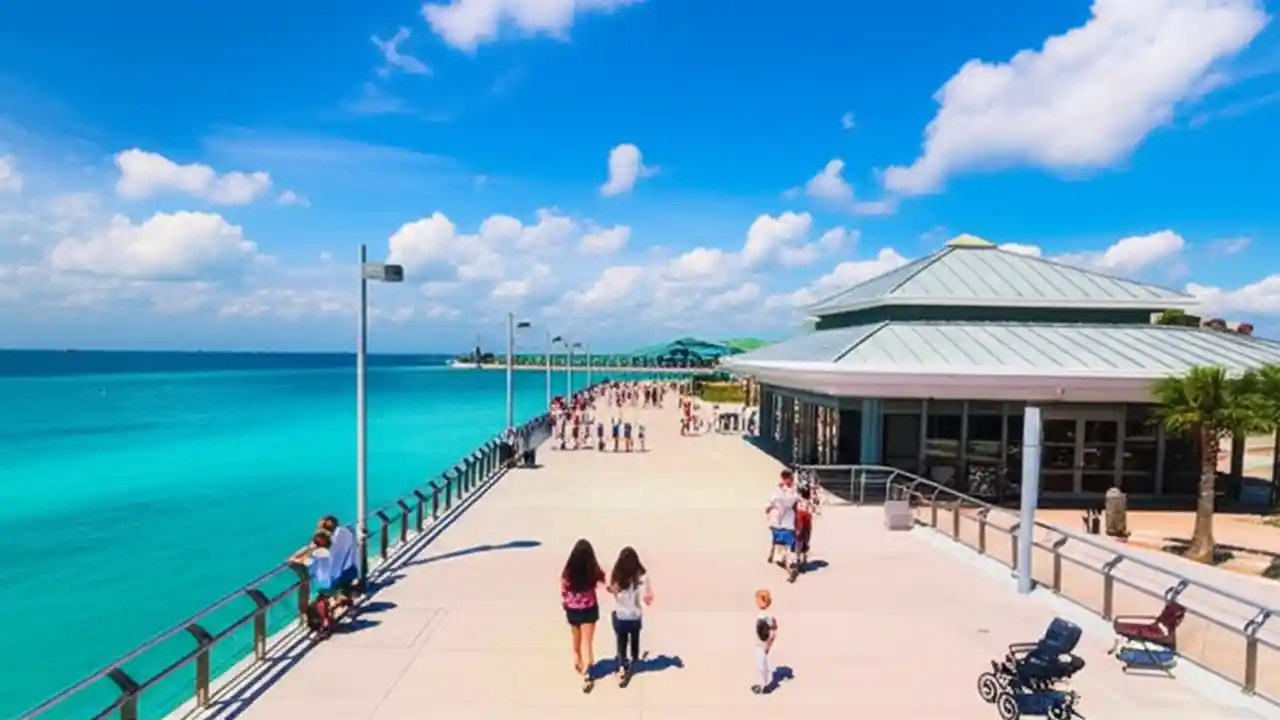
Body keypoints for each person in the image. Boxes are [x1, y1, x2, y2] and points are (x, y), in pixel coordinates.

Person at [561, 539, 606, 692]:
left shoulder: (568, 572)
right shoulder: (591, 570)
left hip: (572, 610)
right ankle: (588, 670)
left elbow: (564, 589)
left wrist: (566, 603)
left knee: (576, 638)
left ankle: (577, 658)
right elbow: (602, 579)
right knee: (587, 641)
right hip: (588, 609)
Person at [607, 546, 654, 684]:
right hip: (635, 615)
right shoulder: (642, 576)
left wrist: (613, 590)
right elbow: (648, 595)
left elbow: (613, 591)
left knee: (621, 640)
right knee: (635, 636)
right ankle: (635, 657)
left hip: (621, 615)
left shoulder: (617, 576)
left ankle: (622, 663)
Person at [290, 532, 336, 639]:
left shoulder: (316, 554)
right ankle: (324, 623)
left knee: (317, 605)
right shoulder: (330, 551)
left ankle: (323, 627)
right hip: (331, 581)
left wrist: (307, 548)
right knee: (322, 603)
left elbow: (292, 561)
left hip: (320, 584)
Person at [319, 515, 361, 602]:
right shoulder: (348, 531)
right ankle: (348, 596)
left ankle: (344, 597)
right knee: (342, 587)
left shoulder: (330, 541)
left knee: (322, 592)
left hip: (339, 575)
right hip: (353, 569)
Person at [766, 470, 798, 569]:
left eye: (789, 478)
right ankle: (778, 555)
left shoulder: (793, 490)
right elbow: (772, 500)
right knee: (778, 537)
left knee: (790, 538)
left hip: (788, 517)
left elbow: (793, 501)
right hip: (777, 517)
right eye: (785, 478)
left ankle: (791, 559)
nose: (788, 481)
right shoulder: (777, 489)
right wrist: (768, 507)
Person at [753, 589, 777, 694]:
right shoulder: (770, 615)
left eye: (758, 601)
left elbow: (763, 632)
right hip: (766, 643)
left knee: (761, 665)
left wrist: (767, 644)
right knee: (765, 664)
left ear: (764, 602)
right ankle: (765, 684)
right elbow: (774, 629)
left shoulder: (762, 616)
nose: (756, 603)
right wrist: (770, 643)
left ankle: (763, 686)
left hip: (761, 644)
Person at [789, 487, 814, 583]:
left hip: (800, 523)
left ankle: (798, 560)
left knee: (799, 542)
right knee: (803, 542)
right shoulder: (807, 504)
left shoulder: (799, 502)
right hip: (804, 524)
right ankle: (801, 560)